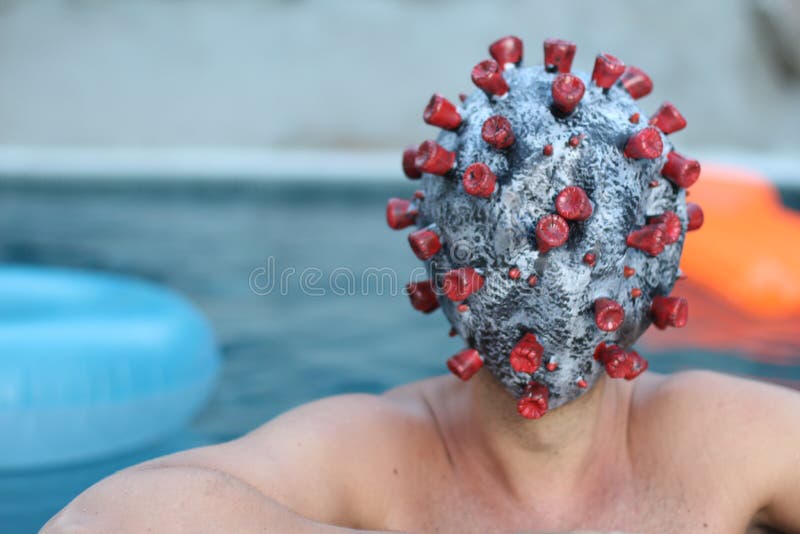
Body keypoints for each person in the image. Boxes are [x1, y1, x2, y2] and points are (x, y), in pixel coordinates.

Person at [43, 36, 800, 533]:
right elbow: (93, 522)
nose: (560, 288)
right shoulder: (374, 457)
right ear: (446, 270)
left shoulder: (719, 442)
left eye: (585, 244)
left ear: (658, 265)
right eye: (520, 244)